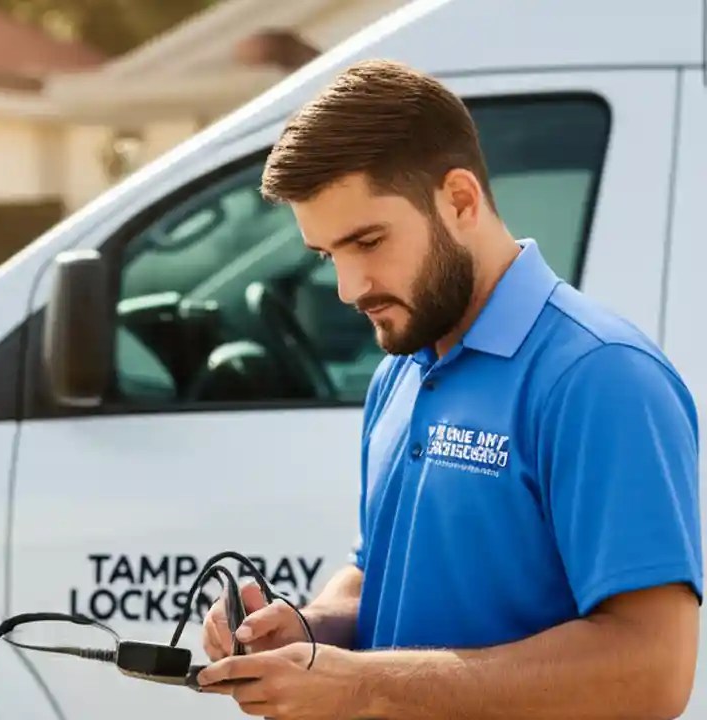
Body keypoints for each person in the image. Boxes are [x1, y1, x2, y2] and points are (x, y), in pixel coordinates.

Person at [196, 58, 703, 718]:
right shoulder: (400, 369)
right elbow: (377, 574)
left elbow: (652, 670)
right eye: (328, 257)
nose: (349, 289)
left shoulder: (601, 376)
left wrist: (363, 685)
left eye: (368, 241)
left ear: (460, 199)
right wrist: (312, 630)